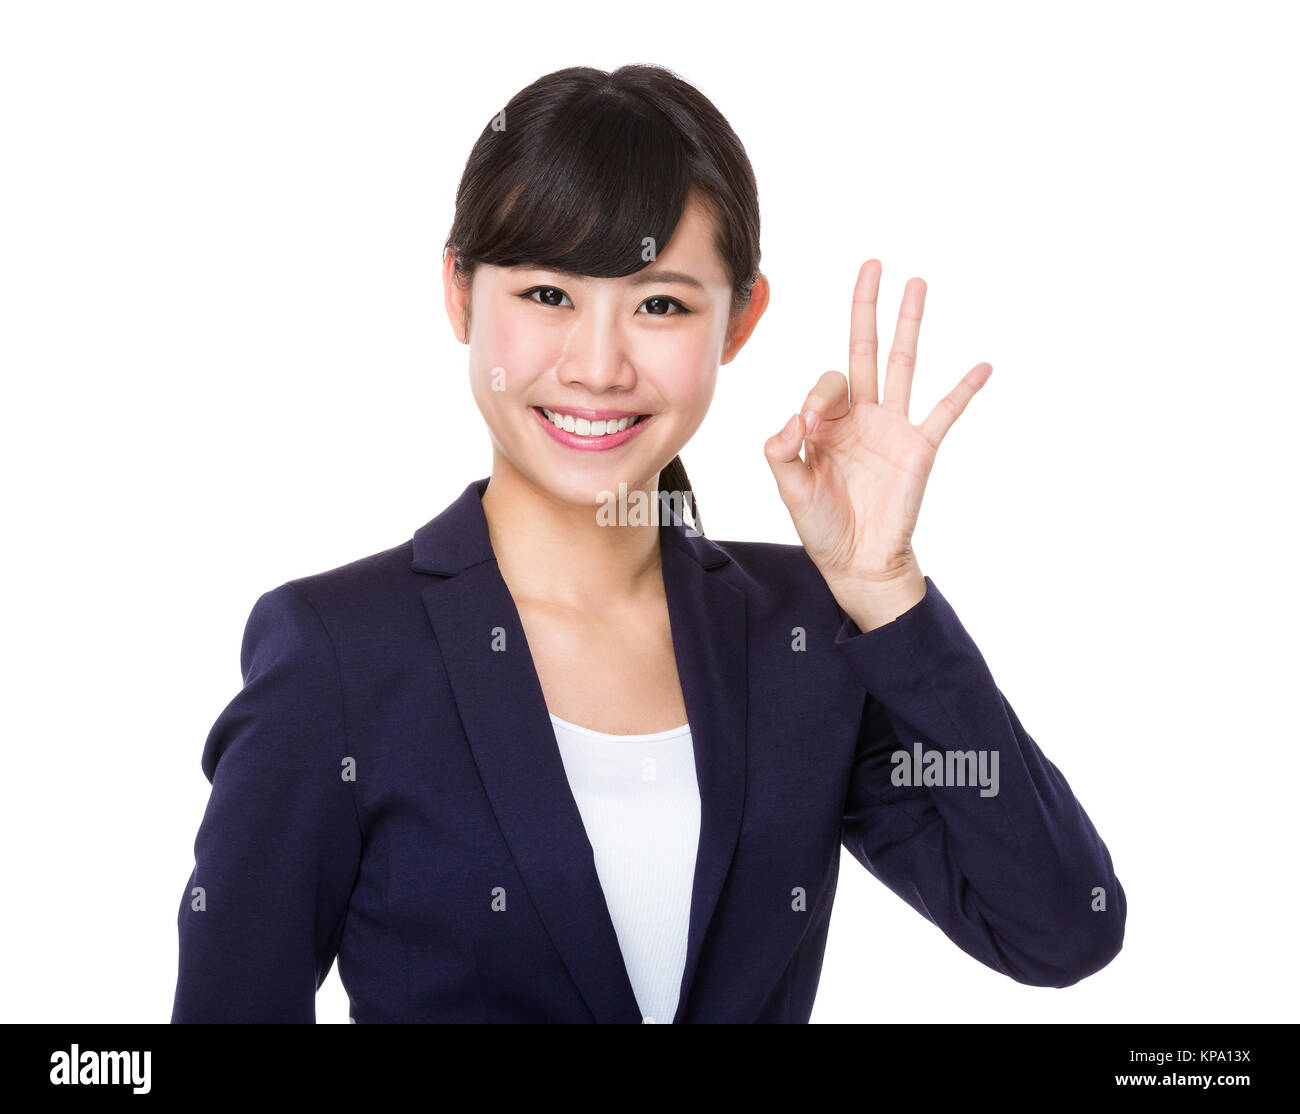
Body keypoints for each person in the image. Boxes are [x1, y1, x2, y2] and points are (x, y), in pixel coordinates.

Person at [171, 63, 1125, 1024]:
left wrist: (887, 592)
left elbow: (1059, 927)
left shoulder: (801, 634)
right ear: (459, 294)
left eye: (660, 304)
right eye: (547, 294)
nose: (596, 366)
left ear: (739, 322)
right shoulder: (338, 654)